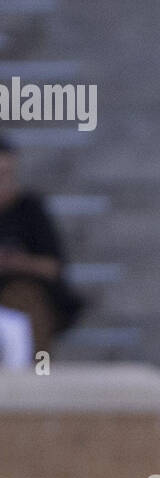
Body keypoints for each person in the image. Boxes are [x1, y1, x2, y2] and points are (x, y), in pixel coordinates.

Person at [0, 136, 83, 358]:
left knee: (25, 298)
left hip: (22, 295)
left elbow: (52, 267)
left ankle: (30, 383)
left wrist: (16, 262)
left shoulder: (30, 209)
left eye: (5, 174)